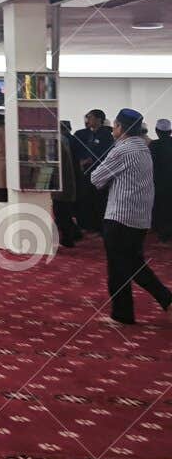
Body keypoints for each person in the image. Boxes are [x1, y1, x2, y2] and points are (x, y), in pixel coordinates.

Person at [91, 107, 172, 327]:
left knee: (126, 266)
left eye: (115, 126)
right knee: (125, 265)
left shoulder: (122, 150)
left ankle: (166, 299)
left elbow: (96, 178)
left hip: (120, 216)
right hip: (140, 217)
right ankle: (122, 314)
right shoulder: (144, 148)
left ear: (120, 127)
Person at [75, 109, 113, 233]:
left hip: (100, 174)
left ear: (98, 119)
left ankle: (101, 230)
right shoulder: (91, 134)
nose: (88, 120)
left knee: (99, 202)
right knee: (90, 200)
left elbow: (103, 155)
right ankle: (92, 226)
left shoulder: (105, 135)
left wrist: (87, 161)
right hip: (89, 174)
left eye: (90, 117)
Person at [52, 123, 82, 249]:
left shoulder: (58, 142)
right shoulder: (64, 140)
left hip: (62, 182)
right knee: (65, 212)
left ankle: (69, 238)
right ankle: (73, 234)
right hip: (67, 181)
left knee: (62, 212)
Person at [151, 117, 172, 243]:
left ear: (157, 131)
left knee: (161, 208)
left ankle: (164, 234)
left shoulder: (154, 145)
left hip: (159, 184)